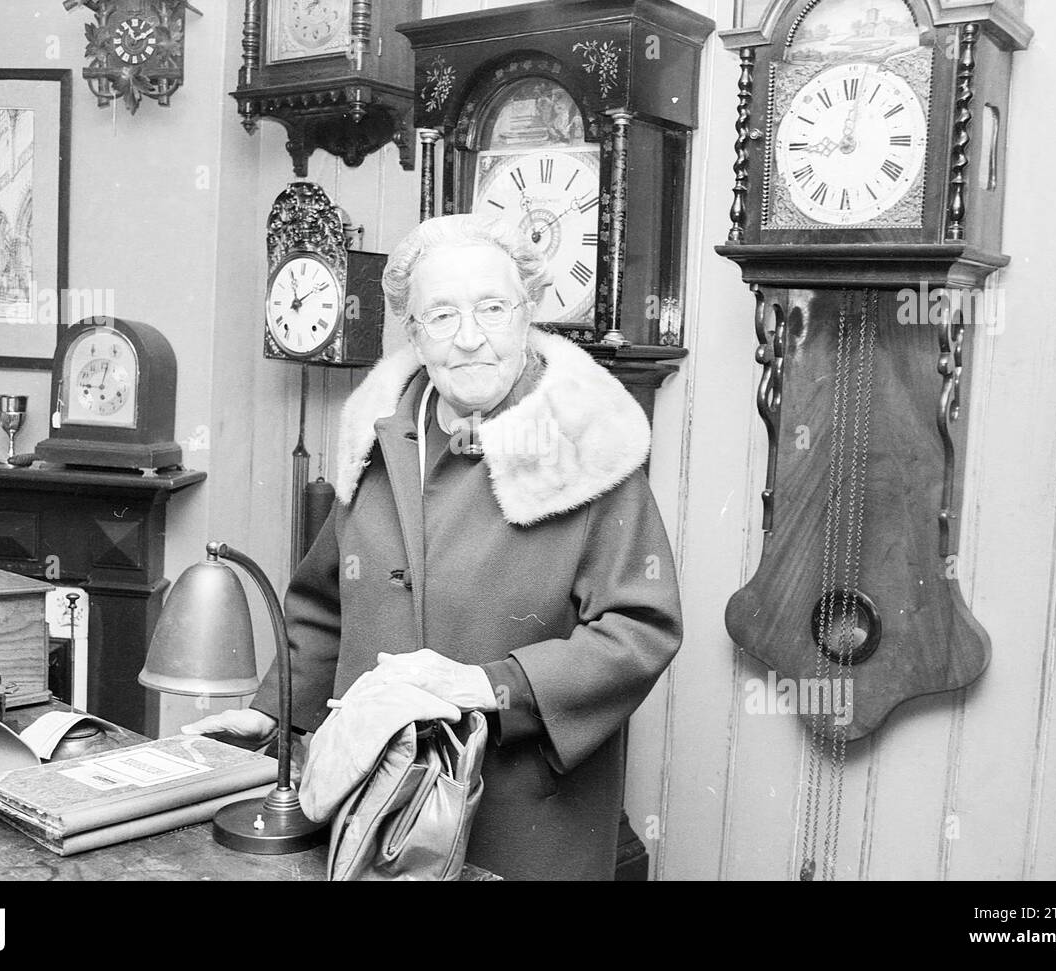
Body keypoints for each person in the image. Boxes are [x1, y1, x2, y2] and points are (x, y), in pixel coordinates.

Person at [184, 213, 682, 880]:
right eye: (441, 316)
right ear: (413, 334)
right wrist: (271, 713)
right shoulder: (381, 438)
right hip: (378, 816)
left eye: (493, 308)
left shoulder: (586, 445)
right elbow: (323, 606)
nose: (470, 338)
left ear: (527, 313)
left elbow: (638, 629)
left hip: (524, 834)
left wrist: (488, 685)